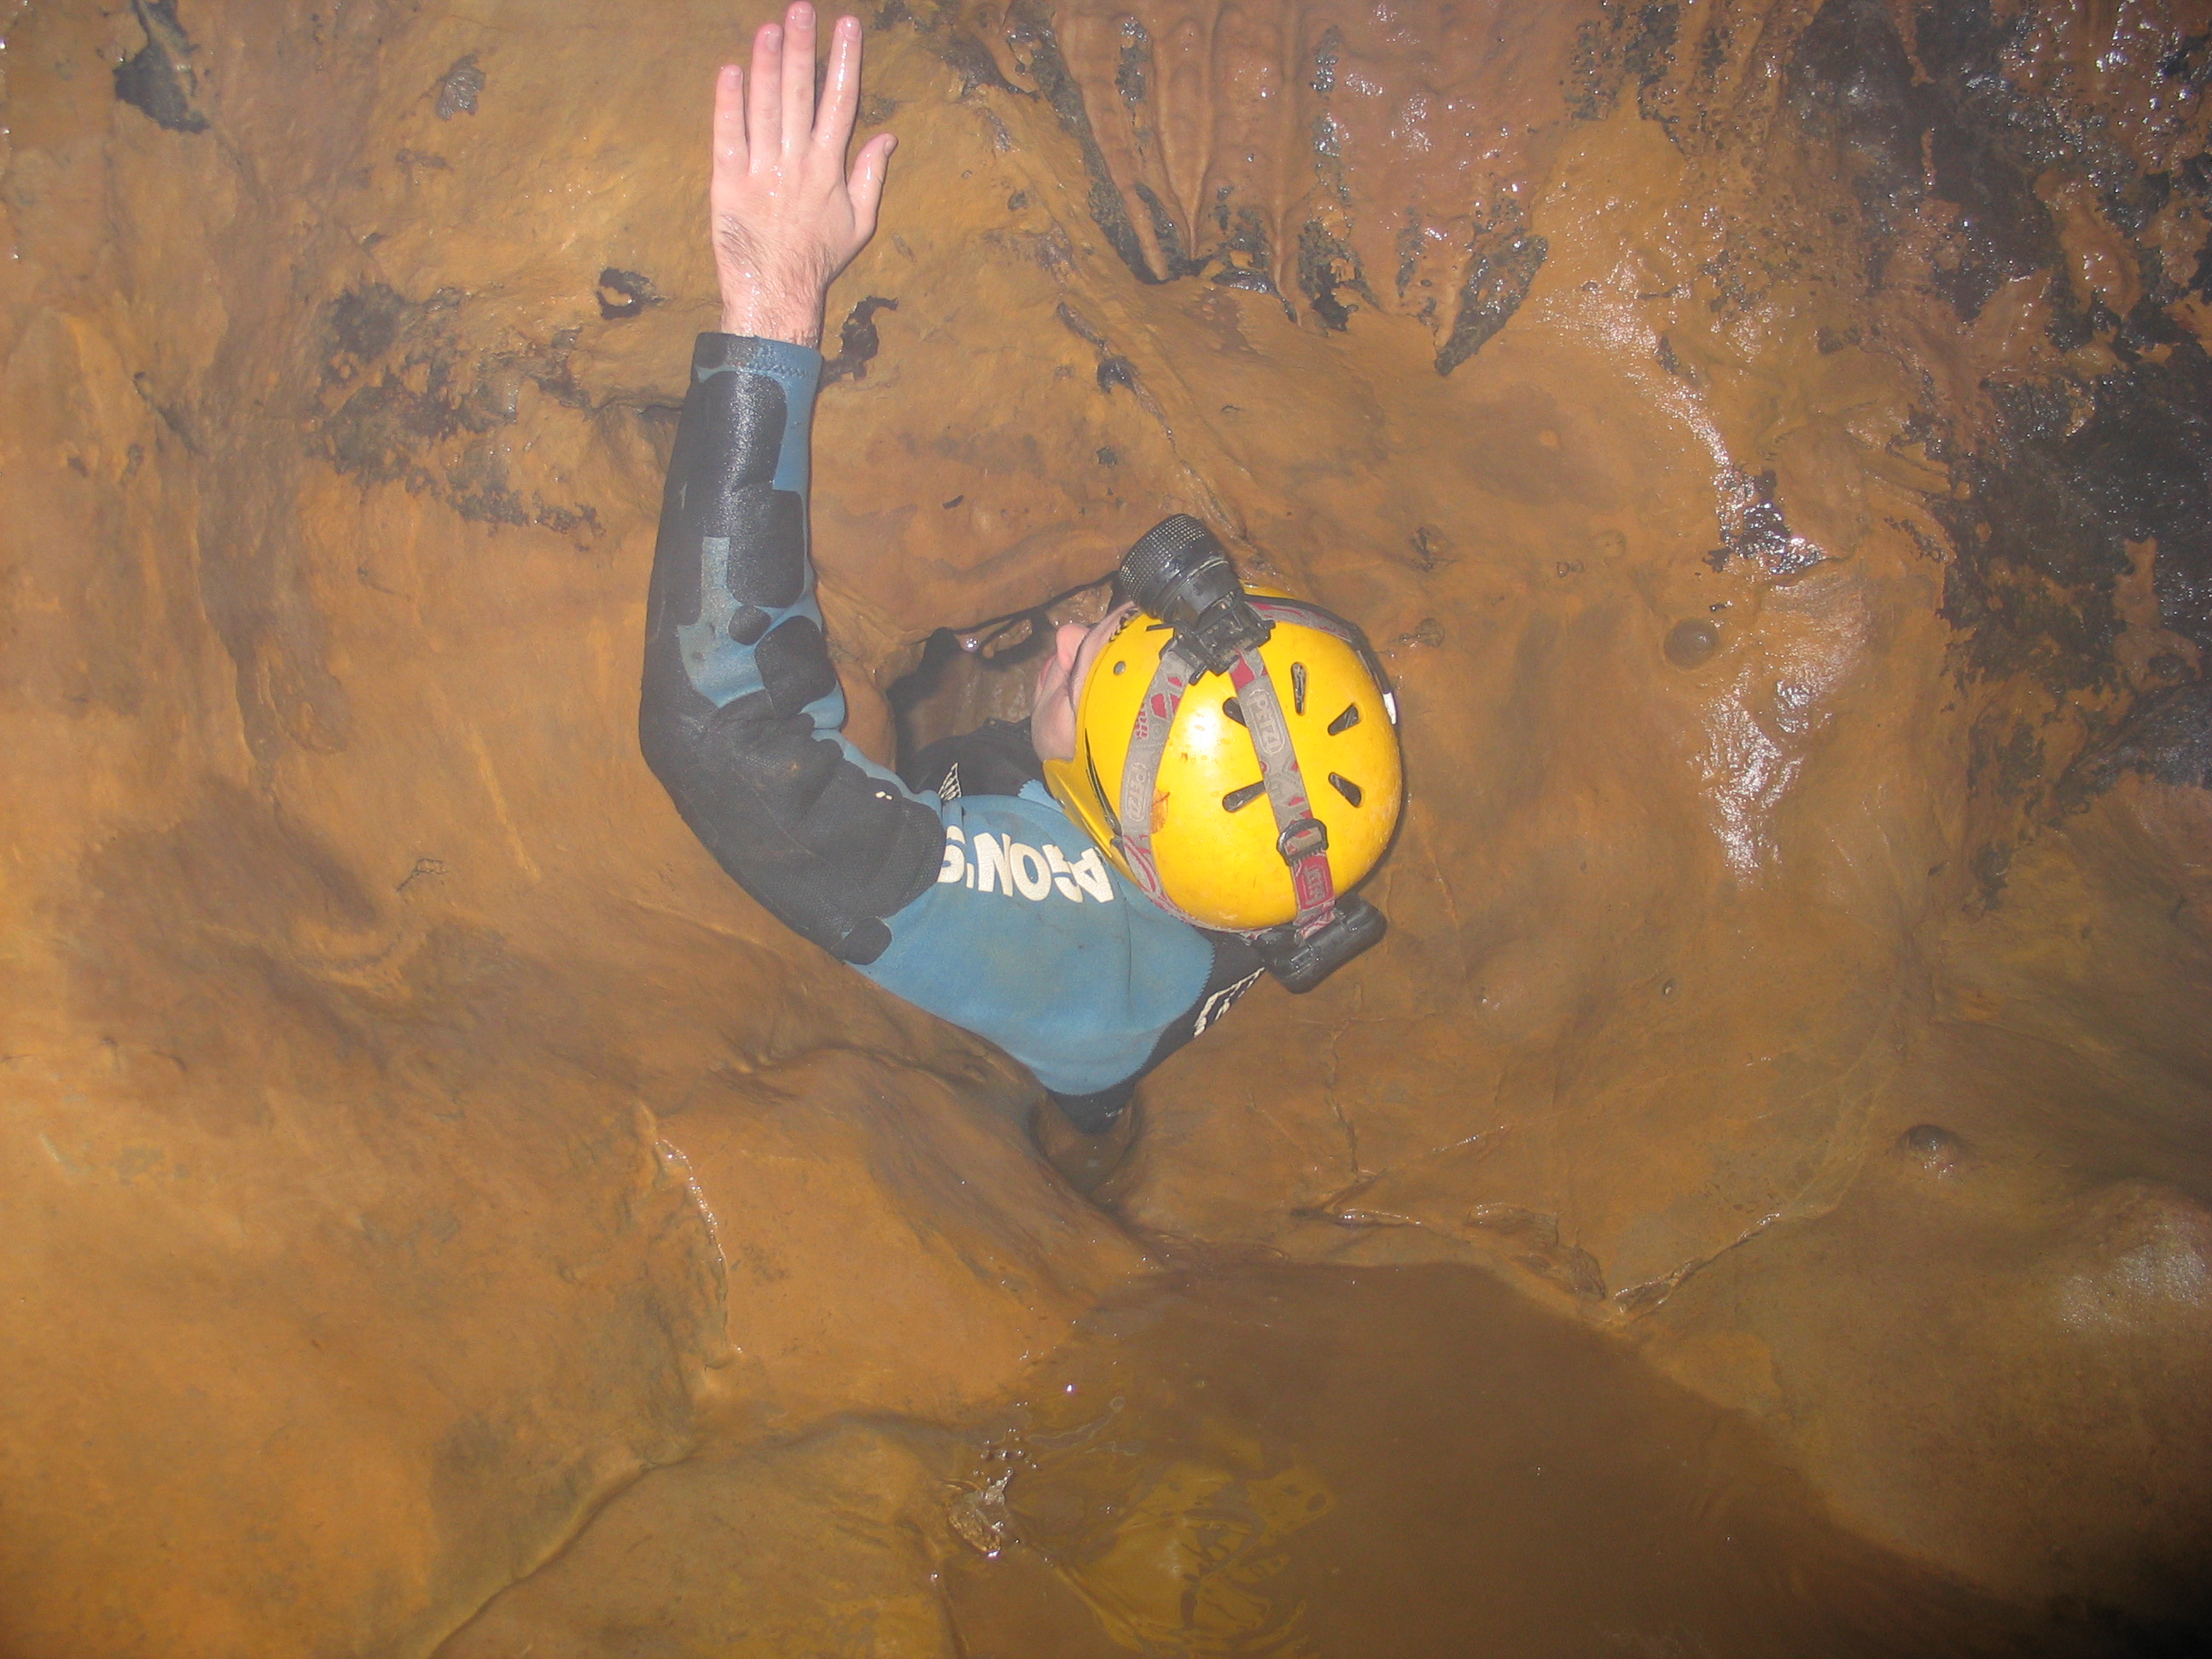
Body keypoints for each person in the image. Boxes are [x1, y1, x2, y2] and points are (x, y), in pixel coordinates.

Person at [638, 5, 1401, 1183]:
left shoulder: (1051, 945)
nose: (1065, 631)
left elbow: (724, 733)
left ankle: (1086, 1142)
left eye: (1087, 663)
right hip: (1154, 939)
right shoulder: (1280, 823)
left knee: (1087, 1086)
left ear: (1105, 820)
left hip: (1097, 1024)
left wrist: (774, 297)